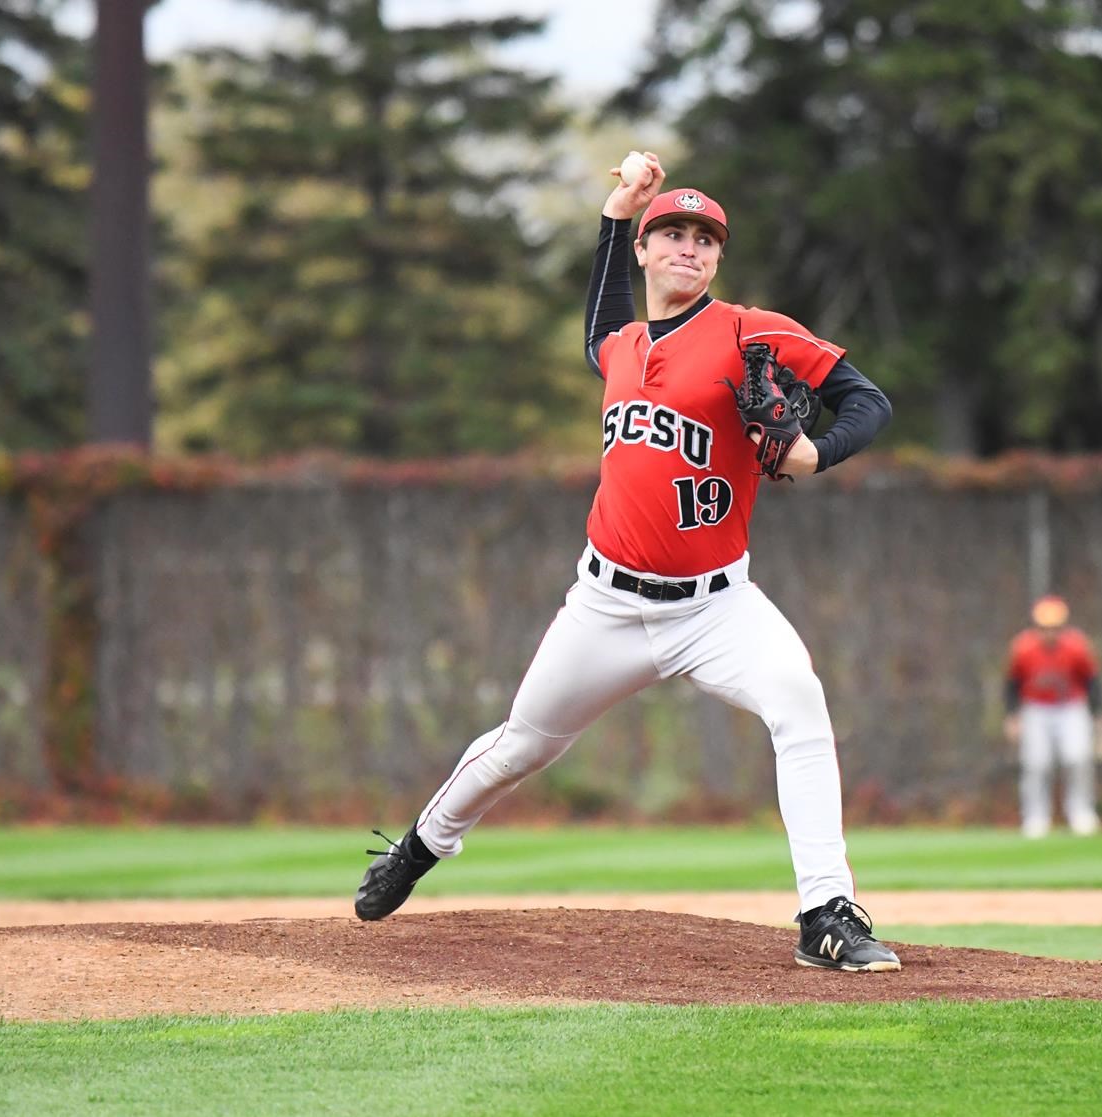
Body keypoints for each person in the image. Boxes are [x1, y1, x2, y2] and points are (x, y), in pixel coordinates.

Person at [353, 152, 901, 972]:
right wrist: (616, 214)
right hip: (604, 606)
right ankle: (421, 846)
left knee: (798, 701)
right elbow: (597, 324)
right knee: (521, 745)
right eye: (671, 234)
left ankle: (826, 911)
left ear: (718, 257)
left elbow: (869, 400)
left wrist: (813, 453)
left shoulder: (752, 331)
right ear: (646, 252)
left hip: (718, 605)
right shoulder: (622, 347)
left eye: (704, 239)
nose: (689, 248)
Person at [1003, 594, 1102, 837]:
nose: (1050, 633)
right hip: (1036, 708)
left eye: (1055, 628)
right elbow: (1012, 684)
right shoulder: (1023, 647)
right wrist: (1012, 716)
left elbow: (1092, 682)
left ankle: (1081, 813)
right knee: (1036, 763)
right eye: (1045, 628)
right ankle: (1035, 816)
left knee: (1077, 757)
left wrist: (1099, 717)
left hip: (1071, 706)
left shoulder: (1077, 646)